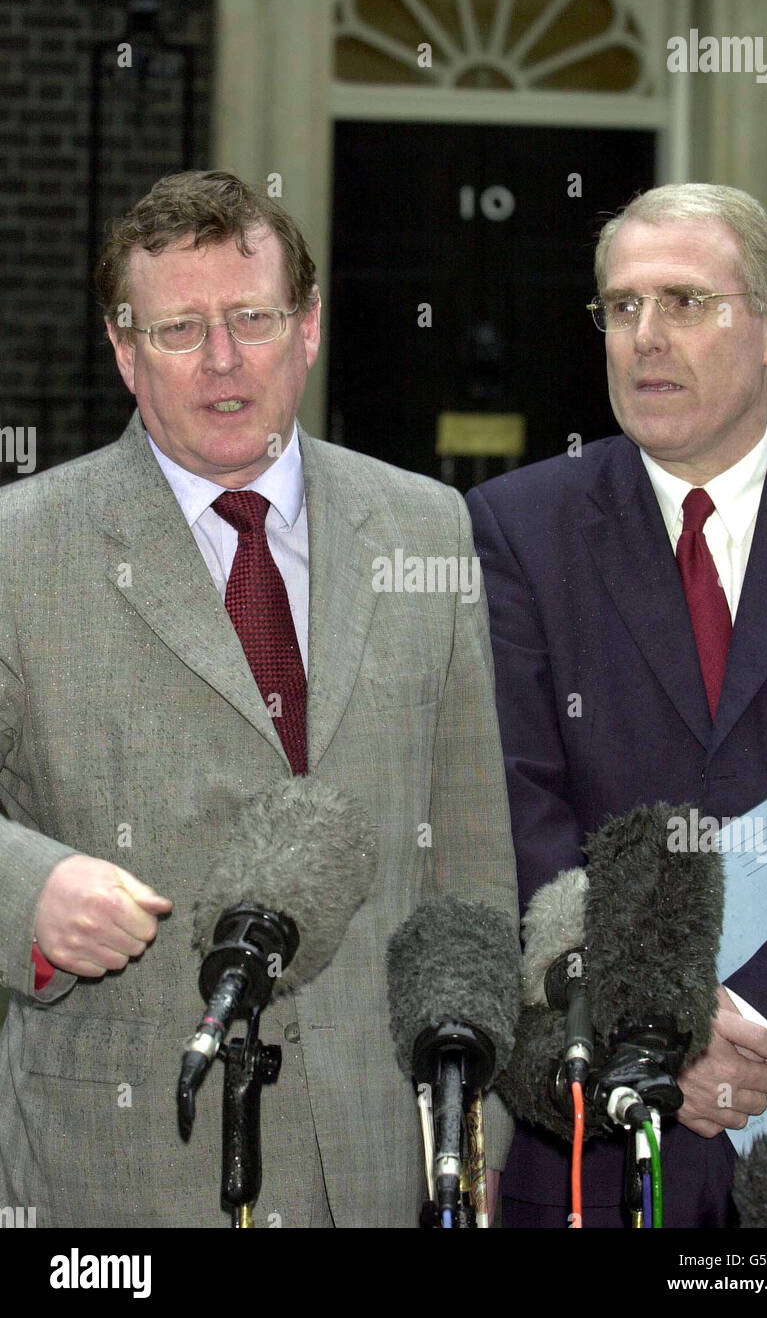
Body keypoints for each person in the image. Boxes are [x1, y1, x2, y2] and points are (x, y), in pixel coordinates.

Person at [0, 169, 518, 1228]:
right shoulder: (21, 550)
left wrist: (474, 1132)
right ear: (123, 349)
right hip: (129, 1171)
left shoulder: (426, 529)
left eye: (251, 317)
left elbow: (467, 864)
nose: (224, 359)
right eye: (181, 328)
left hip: (383, 1157)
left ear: (309, 326)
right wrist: (28, 894)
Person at [467, 183, 767, 1227]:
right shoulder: (516, 529)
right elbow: (520, 815)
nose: (646, 337)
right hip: (603, 1133)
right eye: (621, 306)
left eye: (686, 301)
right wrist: (665, 1029)